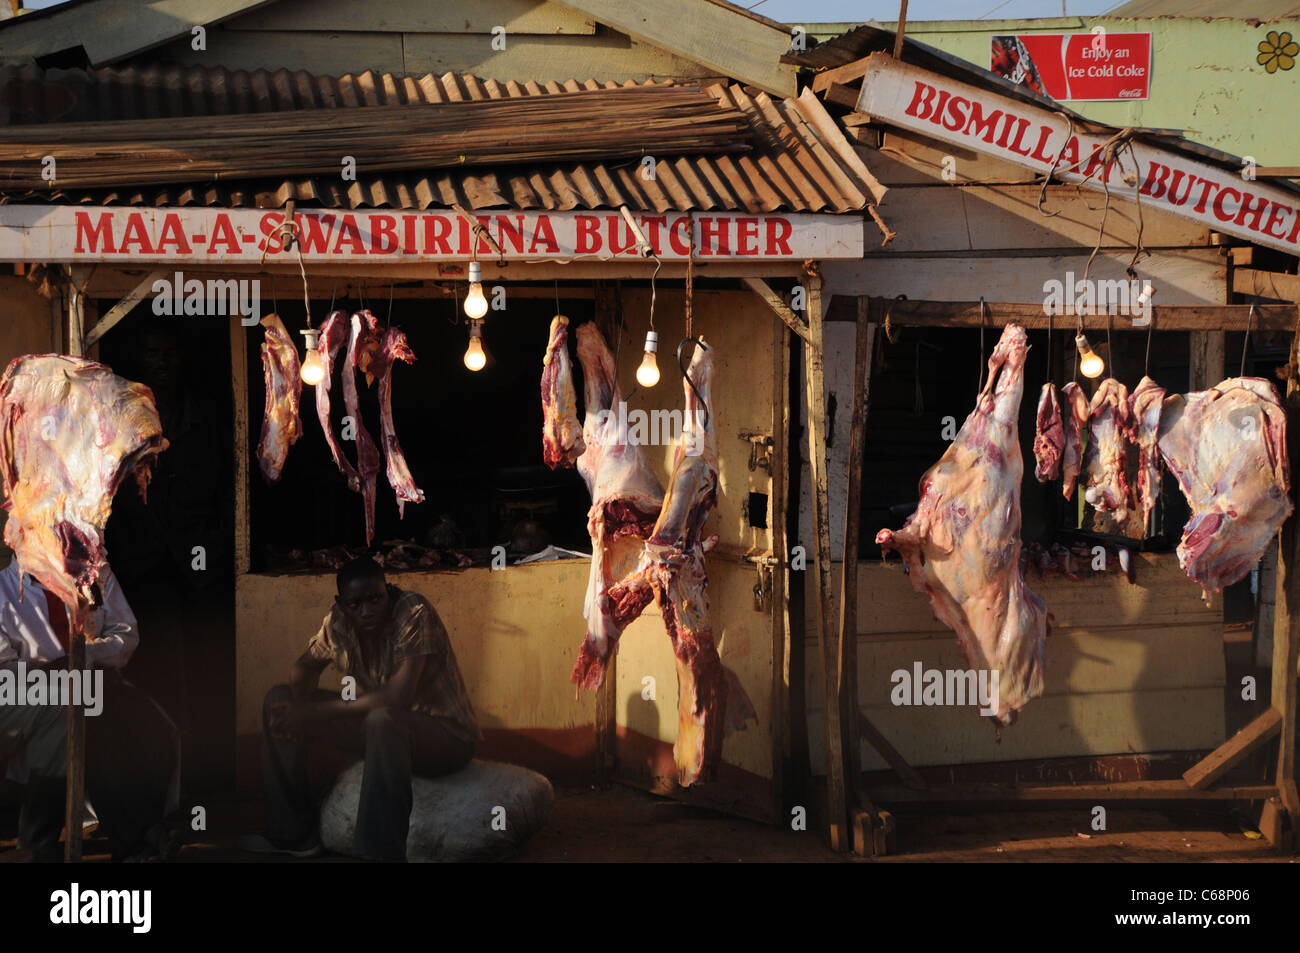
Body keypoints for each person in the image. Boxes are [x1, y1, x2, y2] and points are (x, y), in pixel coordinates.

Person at [244, 556, 479, 861]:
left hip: (445, 736)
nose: (366, 611)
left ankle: (379, 855)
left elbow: (397, 698)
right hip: (382, 728)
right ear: (342, 603)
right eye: (355, 604)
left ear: (388, 591)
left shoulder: (413, 611)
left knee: (383, 720)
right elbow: (304, 667)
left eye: (375, 599)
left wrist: (310, 714)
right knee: (279, 699)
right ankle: (293, 834)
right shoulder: (339, 620)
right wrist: (298, 708)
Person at [0, 557, 180, 862]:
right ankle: (41, 843)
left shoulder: (96, 572)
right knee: (68, 703)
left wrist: (86, 657)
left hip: (94, 681)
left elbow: (126, 634)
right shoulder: (3, 590)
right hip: (19, 694)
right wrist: (59, 673)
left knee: (138, 716)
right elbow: (6, 671)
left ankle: (137, 837)